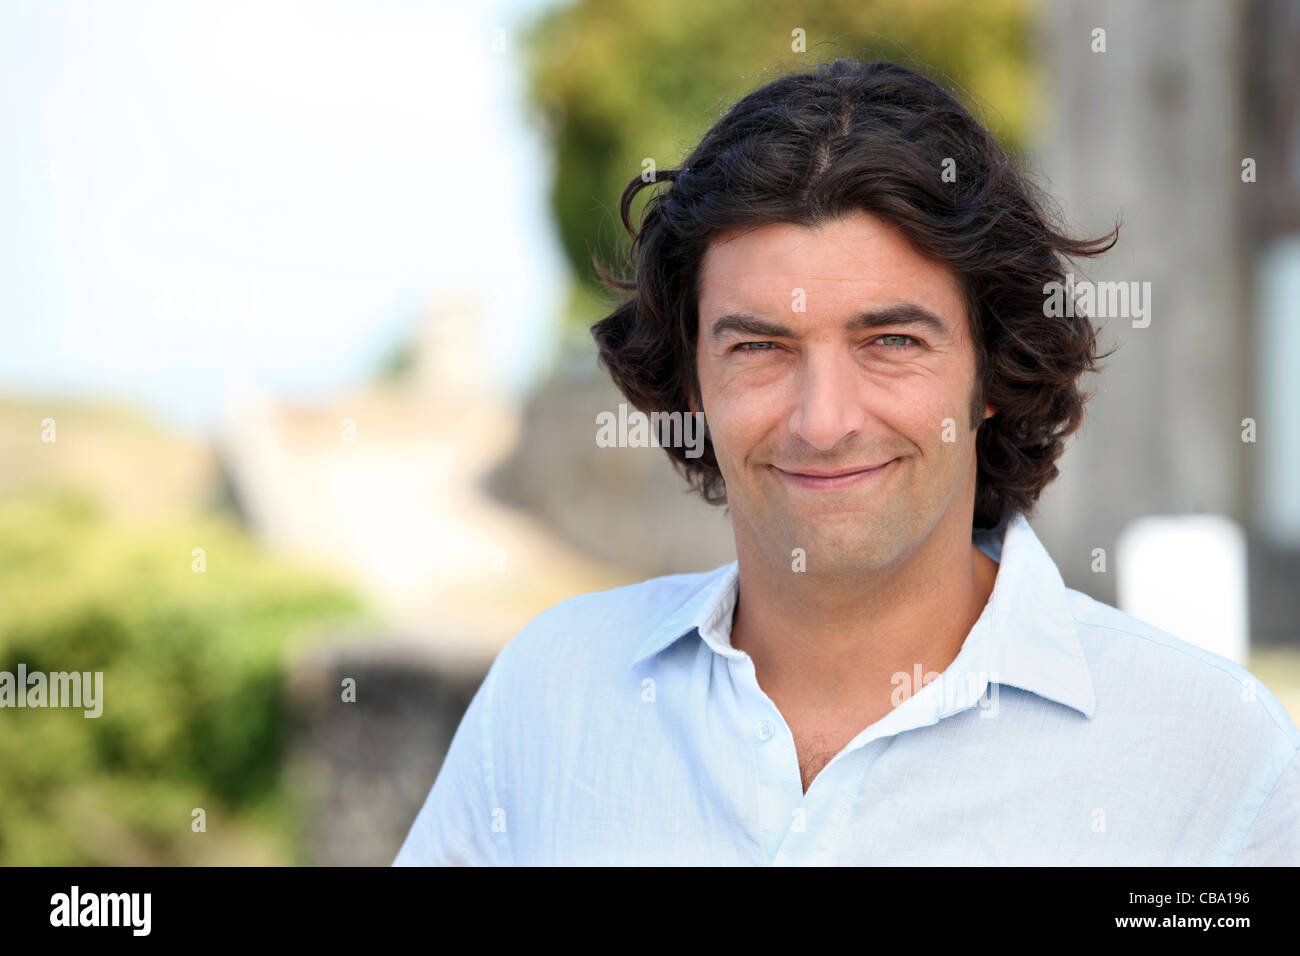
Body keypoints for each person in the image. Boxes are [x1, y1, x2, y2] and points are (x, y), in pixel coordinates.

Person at [394, 58, 1299, 865]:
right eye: (759, 348)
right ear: (692, 381)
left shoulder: (1211, 761)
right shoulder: (552, 696)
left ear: (991, 371)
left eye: (892, 340)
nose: (823, 423)